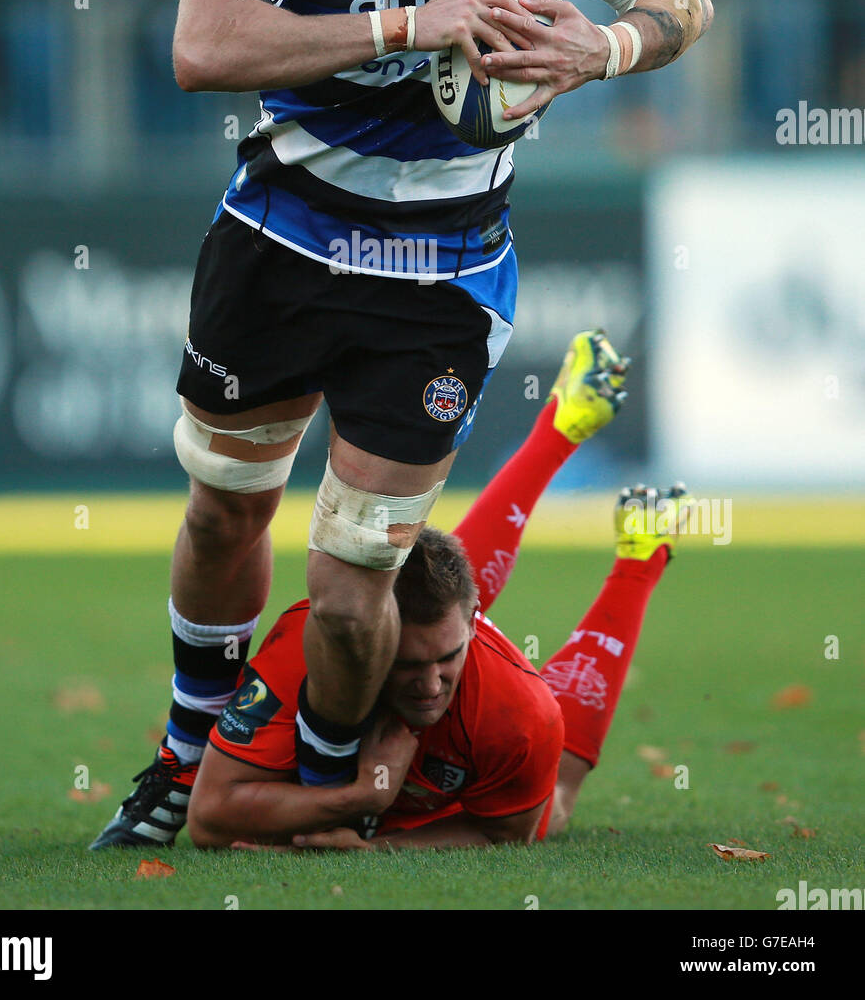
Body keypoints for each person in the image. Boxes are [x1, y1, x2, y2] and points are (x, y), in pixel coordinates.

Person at [91, 0, 712, 849]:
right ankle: (184, 756)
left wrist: (606, 50)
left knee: (354, 570)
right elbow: (200, 41)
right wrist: (407, 22)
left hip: (440, 268)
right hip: (282, 231)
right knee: (227, 512)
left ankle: (316, 780)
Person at [184, 333, 689, 850]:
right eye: (407, 665)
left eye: (445, 660)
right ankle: (559, 428)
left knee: (554, 803)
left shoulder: (519, 712)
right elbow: (209, 820)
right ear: (372, 639)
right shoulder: (314, 641)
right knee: (427, 580)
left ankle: (640, 558)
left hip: (476, 684)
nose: (428, 685)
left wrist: (373, 847)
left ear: (475, 625)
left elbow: (504, 832)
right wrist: (363, 797)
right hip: (419, 639)